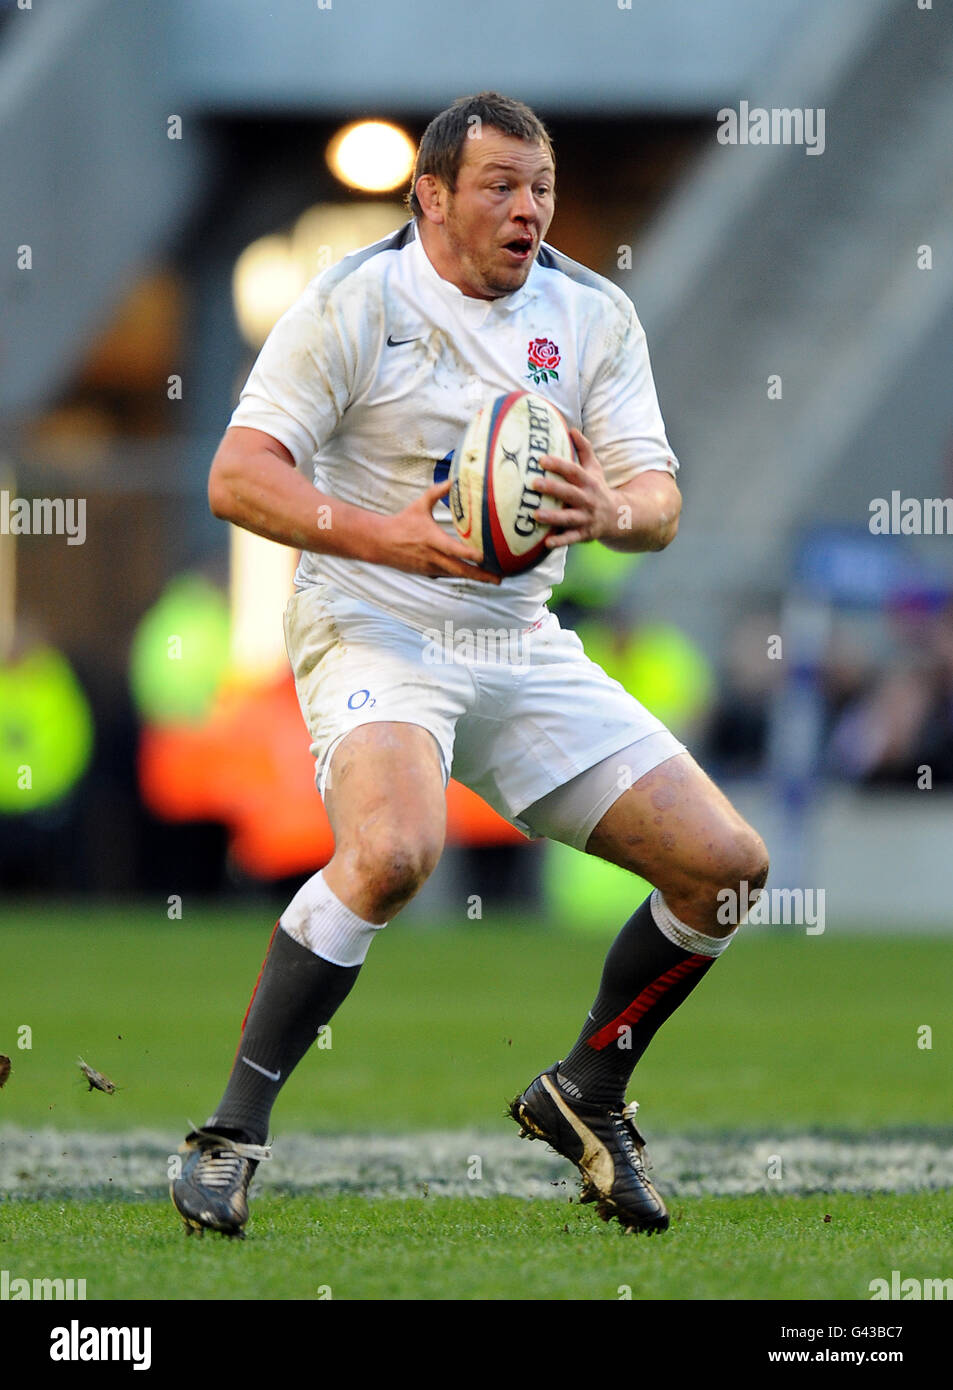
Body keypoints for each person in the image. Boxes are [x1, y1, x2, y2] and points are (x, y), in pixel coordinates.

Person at [170, 92, 768, 1238]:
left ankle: (587, 1088)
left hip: (518, 639)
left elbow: (659, 502)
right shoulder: (353, 300)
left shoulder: (590, 313)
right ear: (429, 196)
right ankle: (229, 1134)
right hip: (374, 622)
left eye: (539, 187)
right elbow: (238, 477)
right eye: (499, 186)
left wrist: (610, 507)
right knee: (393, 851)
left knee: (725, 870)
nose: (527, 210)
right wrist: (383, 530)